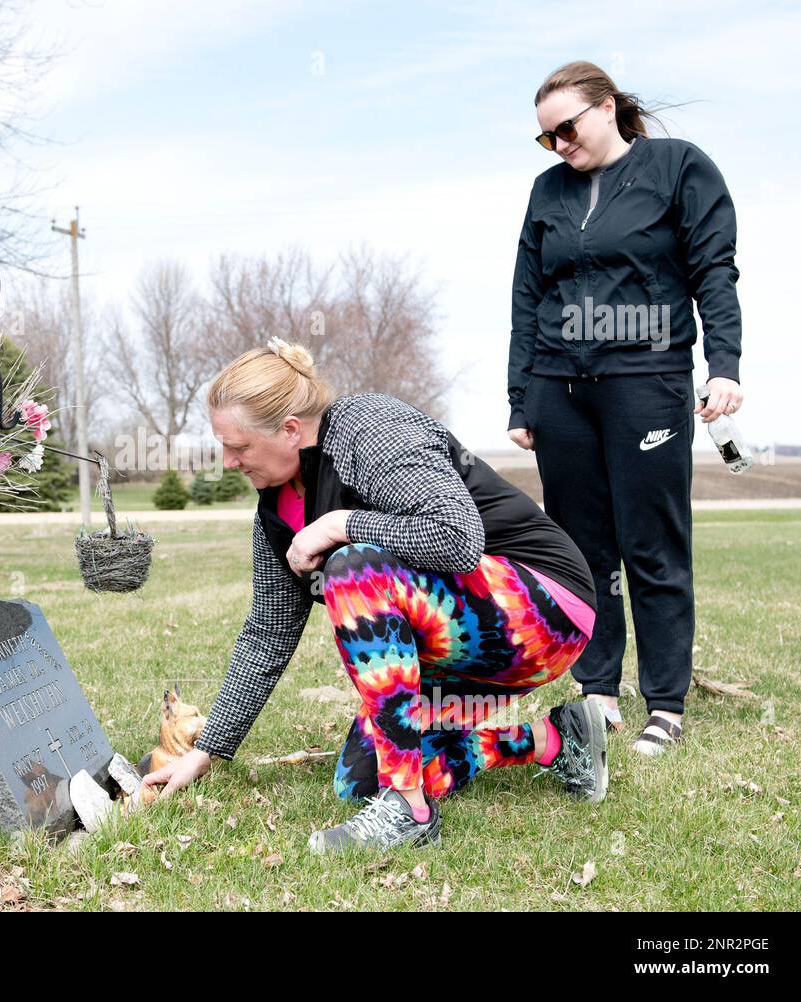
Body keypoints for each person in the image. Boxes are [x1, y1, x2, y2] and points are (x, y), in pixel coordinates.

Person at [143, 339, 607, 854]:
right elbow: (267, 637)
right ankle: (557, 739)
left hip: (545, 609)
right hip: (458, 657)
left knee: (353, 568)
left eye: (240, 447)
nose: (228, 461)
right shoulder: (273, 516)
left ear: (290, 429)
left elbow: (458, 537)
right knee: (361, 783)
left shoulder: (368, 428)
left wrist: (340, 524)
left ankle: (410, 811)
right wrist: (208, 750)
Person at [507, 61, 744, 756]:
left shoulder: (678, 169)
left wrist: (723, 365)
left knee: (651, 541)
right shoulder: (547, 191)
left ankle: (665, 703)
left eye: (567, 128)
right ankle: (598, 691)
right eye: (545, 137)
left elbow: (713, 271)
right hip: (559, 388)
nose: (558, 145)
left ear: (606, 108)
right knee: (581, 549)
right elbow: (527, 296)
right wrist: (522, 396)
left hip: (648, 379)